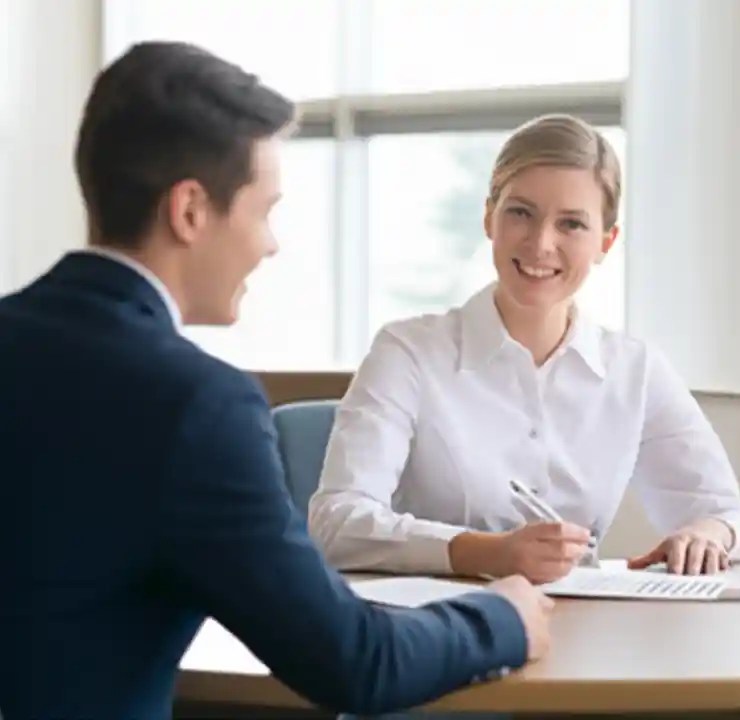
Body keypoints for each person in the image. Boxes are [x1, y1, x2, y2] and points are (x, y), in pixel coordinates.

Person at [0, 41, 551, 719]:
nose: (271, 243)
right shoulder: (196, 406)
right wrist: (503, 617)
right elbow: (355, 661)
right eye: (264, 210)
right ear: (190, 210)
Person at [308, 114, 740, 583]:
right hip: (432, 634)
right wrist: (486, 553)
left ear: (606, 242)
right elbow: (336, 521)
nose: (541, 243)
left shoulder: (635, 371)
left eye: (571, 224)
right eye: (521, 213)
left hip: (577, 631)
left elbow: (735, 518)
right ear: (489, 217)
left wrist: (709, 533)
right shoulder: (408, 352)